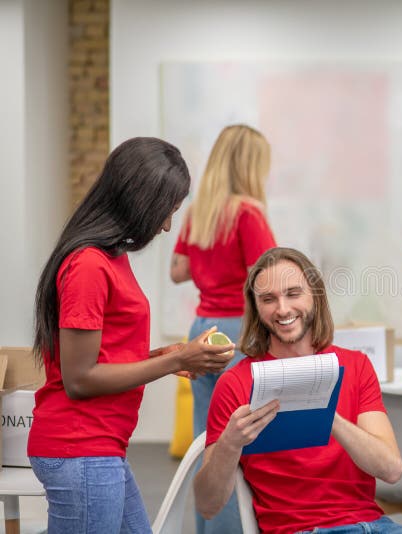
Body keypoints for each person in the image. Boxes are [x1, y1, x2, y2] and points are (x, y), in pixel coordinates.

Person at [28, 137, 235, 534]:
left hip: (99, 449)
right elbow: (80, 379)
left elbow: (104, 356)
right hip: (80, 448)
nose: (166, 225)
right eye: (165, 211)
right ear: (138, 199)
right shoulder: (88, 265)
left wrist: (167, 354)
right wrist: (175, 361)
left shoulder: (109, 258)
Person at [193, 247, 402, 534]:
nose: (282, 309)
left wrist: (328, 417)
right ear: (256, 308)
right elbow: (207, 505)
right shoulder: (236, 383)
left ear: (314, 296)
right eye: (269, 299)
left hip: (372, 526)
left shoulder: (355, 365)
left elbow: (391, 469)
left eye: (293, 294)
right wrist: (229, 443)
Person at [170, 124, 277, 533]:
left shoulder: (199, 211)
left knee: (208, 441)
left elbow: (177, 271)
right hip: (242, 333)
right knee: (239, 445)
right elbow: (268, 278)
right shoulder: (248, 212)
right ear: (250, 165)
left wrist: (209, 262)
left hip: (202, 331)